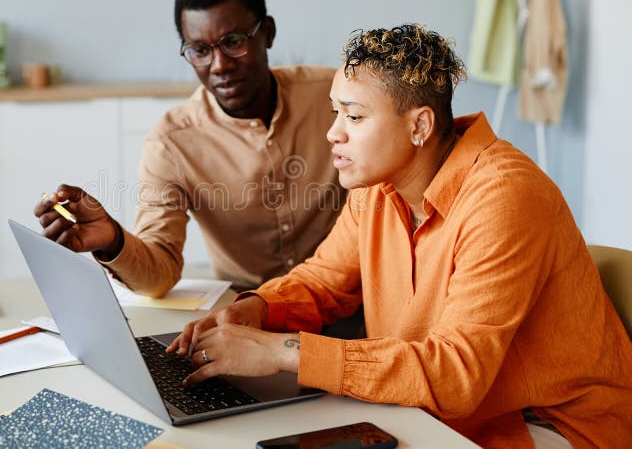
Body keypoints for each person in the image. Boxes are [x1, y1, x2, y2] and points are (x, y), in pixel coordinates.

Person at [168, 24, 632, 447]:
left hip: (544, 425)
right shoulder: (377, 188)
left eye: (353, 117)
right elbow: (325, 279)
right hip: (432, 413)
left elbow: (456, 373)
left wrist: (284, 352)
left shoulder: (504, 198)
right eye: (335, 113)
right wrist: (256, 309)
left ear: (420, 126)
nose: (333, 134)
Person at [34, 0, 343, 295]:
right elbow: (159, 273)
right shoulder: (171, 144)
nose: (220, 65)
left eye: (233, 41)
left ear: (266, 33)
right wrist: (112, 239)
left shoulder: (337, 98)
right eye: (200, 50)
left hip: (351, 300)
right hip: (249, 311)